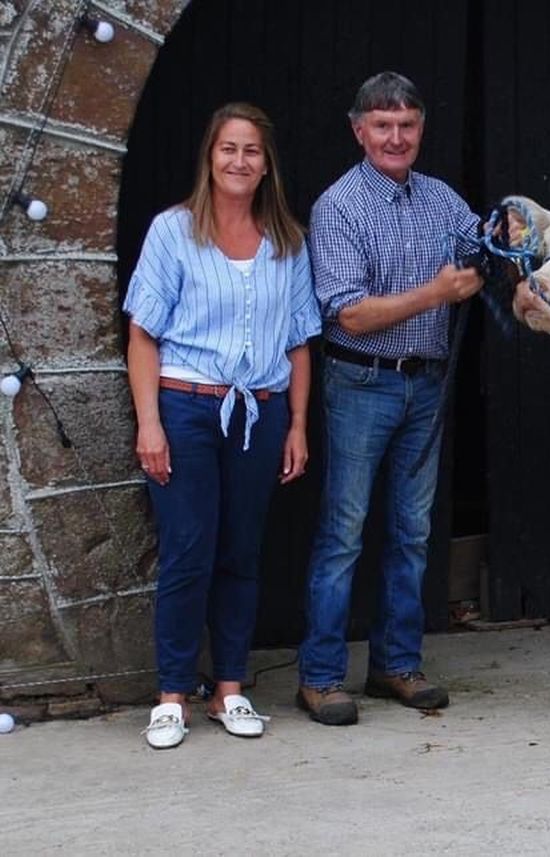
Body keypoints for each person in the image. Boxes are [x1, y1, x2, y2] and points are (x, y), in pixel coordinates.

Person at [124, 102, 322, 748]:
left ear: (267, 165)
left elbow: (298, 342)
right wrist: (149, 422)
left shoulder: (287, 241)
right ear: (211, 156)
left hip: (258, 412)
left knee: (242, 550)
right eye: (229, 149)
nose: (240, 161)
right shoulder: (173, 232)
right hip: (185, 407)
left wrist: (295, 423)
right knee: (187, 549)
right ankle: (173, 693)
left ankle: (230, 688)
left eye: (252, 151)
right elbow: (143, 334)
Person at [296, 71, 484, 726]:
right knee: (344, 532)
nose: (395, 137)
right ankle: (320, 677)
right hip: (361, 380)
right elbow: (347, 315)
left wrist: (518, 231)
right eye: (382, 126)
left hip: (424, 384)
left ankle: (395, 665)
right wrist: (435, 294)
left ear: (420, 129)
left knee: (412, 532)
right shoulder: (338, 207)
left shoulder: (441, 201)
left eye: (406, 125)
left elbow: (486, 240)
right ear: (359, 131)